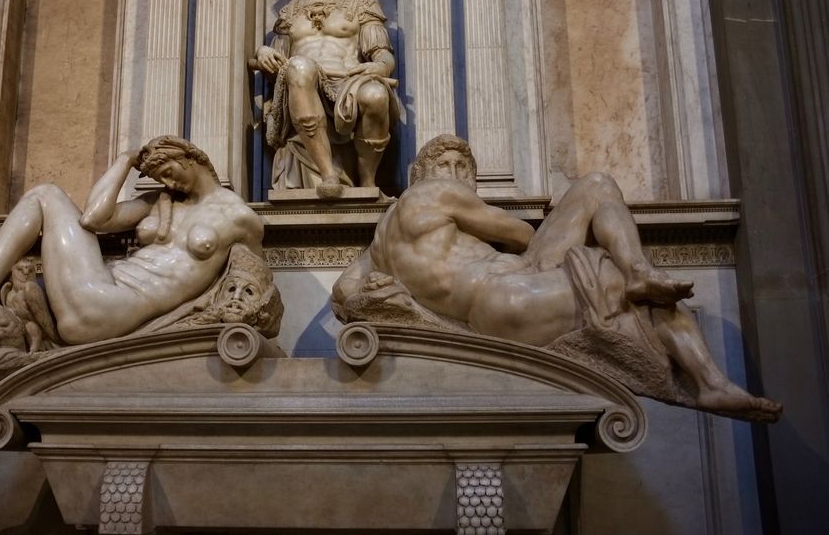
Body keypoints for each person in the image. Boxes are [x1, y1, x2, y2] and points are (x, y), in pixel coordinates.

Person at [333, 135, 782, 421]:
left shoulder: (377, 246)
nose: (455, 175)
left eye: (461, 167)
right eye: (446, 165)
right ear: (422, 176)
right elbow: (518, 232)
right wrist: (533, 244)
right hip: (510, 292)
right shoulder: (436, 194)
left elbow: (343, 295)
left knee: (597, 185)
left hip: (502, 295)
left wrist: (399, 298)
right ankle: (709, 383)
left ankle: (639, 272)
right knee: (614, 279)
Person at [0, 136, 264, 345]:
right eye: (159, 177)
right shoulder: (159, 204)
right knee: (44, 194)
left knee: (46, 195)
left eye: (168, 170)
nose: (167, 181)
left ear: (191, 157)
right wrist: (125, 160)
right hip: (100, 292)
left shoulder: (240, 218)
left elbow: (255, 281)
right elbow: (92, 219)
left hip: (113, 309)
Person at [254, 0, 399, 197]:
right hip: (302, 84)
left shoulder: (361, 3)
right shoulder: (291, 11)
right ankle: (328, 174)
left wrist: (380, 67)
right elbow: (280, 66)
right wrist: (263, 52)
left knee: (377, 94)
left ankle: (367, 182)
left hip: (348, 84)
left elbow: (382, 53)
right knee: (299, 66)